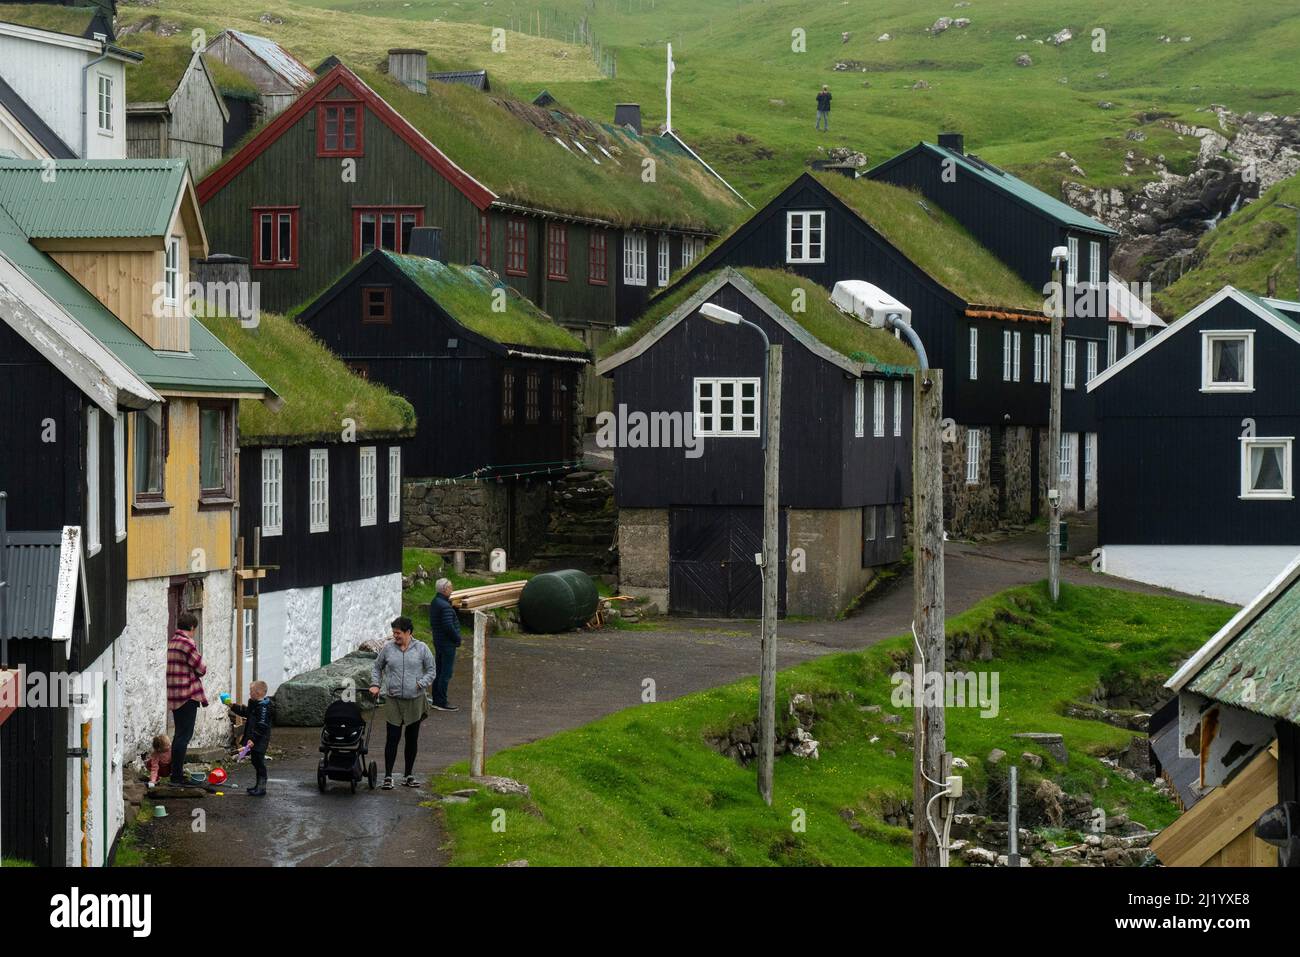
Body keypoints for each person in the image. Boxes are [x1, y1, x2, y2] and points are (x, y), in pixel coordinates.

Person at [368, 616, 435, 790]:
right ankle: (388, 776)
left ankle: (408, 775)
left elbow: (431, 670)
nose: (395, 636)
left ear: (408, 632)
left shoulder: (422, 648)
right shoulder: (388, 649)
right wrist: (375, 684)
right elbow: (377, 667)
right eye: (393, 633)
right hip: (393, 700)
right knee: (392, 738)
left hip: (415, 700)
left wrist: (420, 684)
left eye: (398, 633)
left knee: (411, 739)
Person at [166, 611, 208, 786]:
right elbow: (201, 668)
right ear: (192, 627)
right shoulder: (187, 643)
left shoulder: (173, 642)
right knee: (185, 735)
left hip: (174, 695)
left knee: (179, 735)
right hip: (187, 694)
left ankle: (175, 773)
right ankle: (177, 777)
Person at [228, 680, 274, 797]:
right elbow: (245, 712)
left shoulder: (263, 707)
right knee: (255, 760)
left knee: (258, 761)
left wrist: (253, 739)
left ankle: (262, 787)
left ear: (258, 692)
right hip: (253, 738)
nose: (249, 693)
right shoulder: (254, 704)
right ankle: (258, 785)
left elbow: (262, 725)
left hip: (260, 739)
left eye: (251, 691)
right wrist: (232, 706)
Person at [429, 578, 462, 712]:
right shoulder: (445, 606)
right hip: (447, 643)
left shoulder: (435, 602)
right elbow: (448, 626)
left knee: (439, 670)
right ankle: (441, 701)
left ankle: (437, 699)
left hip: (438, 641)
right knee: (446, 673)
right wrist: (457, 639)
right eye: (450, 587)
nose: (452, 590)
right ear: (444, 589)